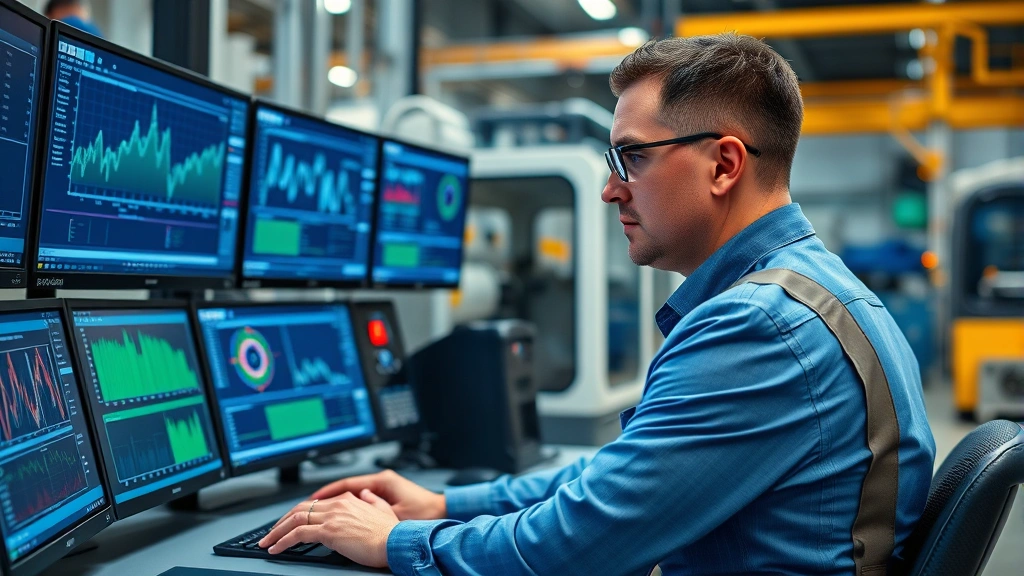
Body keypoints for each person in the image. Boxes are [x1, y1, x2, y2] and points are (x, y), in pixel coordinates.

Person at [258, 34, 936, 575]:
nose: (612, 191)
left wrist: (395, 543)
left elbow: (576, 548)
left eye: (631, 159)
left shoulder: (760, 326)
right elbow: (633, 472)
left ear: (724, 165)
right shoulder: (809, 292)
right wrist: (443, 503)